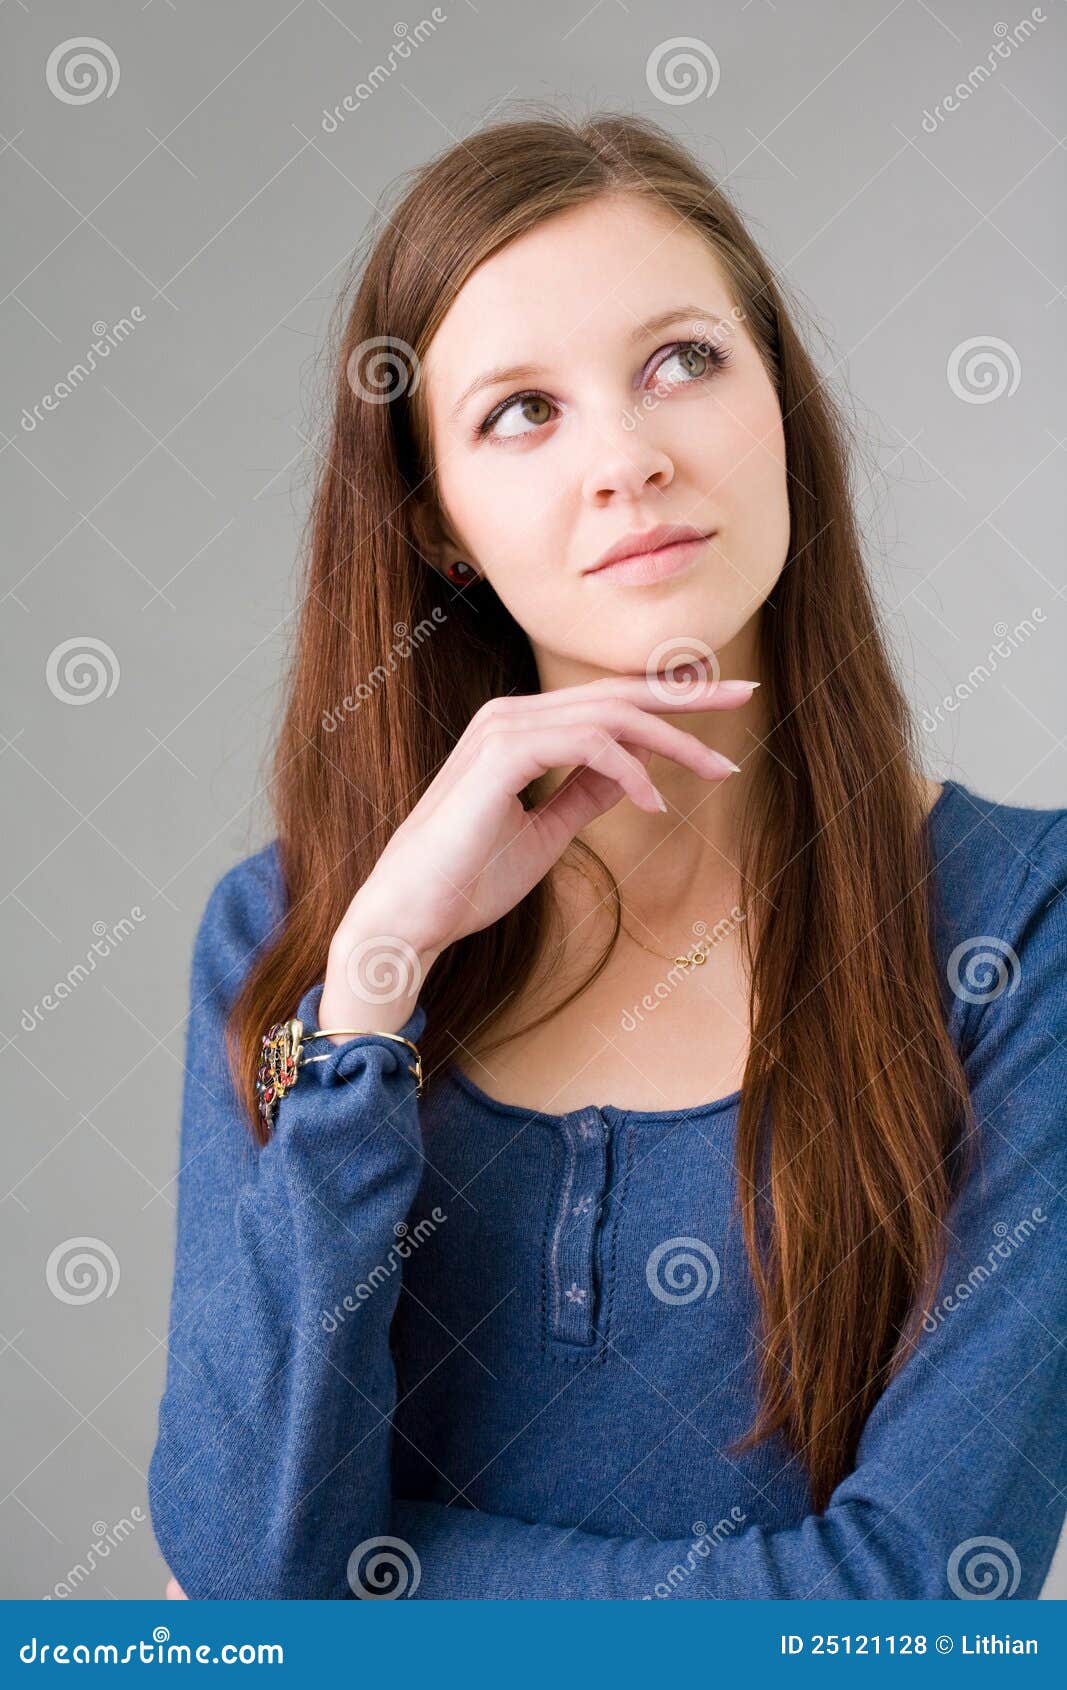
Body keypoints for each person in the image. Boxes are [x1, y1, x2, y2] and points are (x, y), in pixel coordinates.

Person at [149, 110, 1066, 1600]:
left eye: (684, 361)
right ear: (441, 525)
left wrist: (375, 1585)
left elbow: (917, 1597)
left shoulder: (1026, 926)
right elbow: (247, 1562)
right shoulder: (289, 939)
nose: (628, 460)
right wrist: (374, 981)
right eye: (521, 410)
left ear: (783, 404)